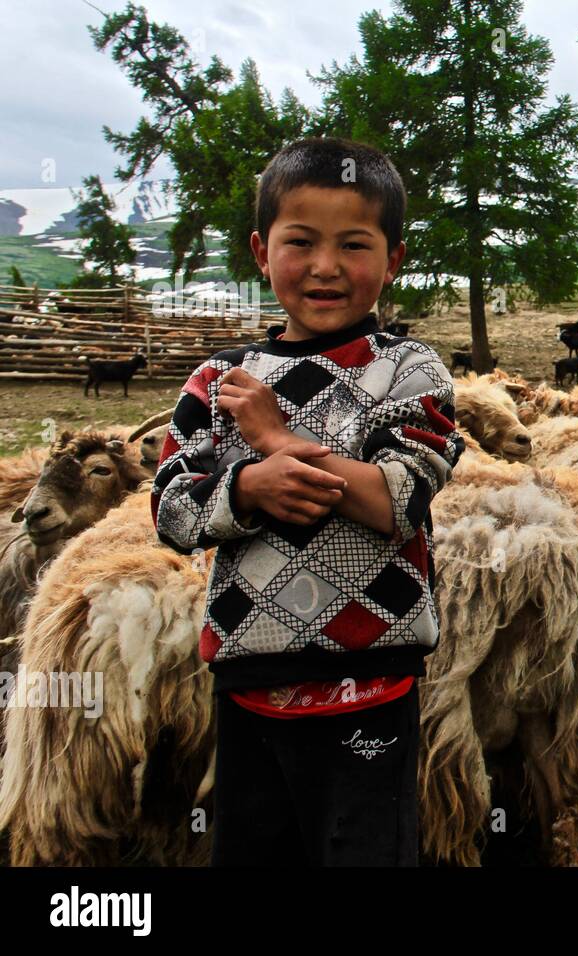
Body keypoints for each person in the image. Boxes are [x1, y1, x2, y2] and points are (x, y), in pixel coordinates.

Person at [151, 136, 463, 866]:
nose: (326, 267)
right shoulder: (217, 379)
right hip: (250, 680)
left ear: (394, 260)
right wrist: (247, 488)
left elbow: (394, 498)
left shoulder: (407, 370)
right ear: (262, 252)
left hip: (374, 682)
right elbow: (172, 511)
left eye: (354, 245)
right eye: (301, 242)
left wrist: (273, 436)